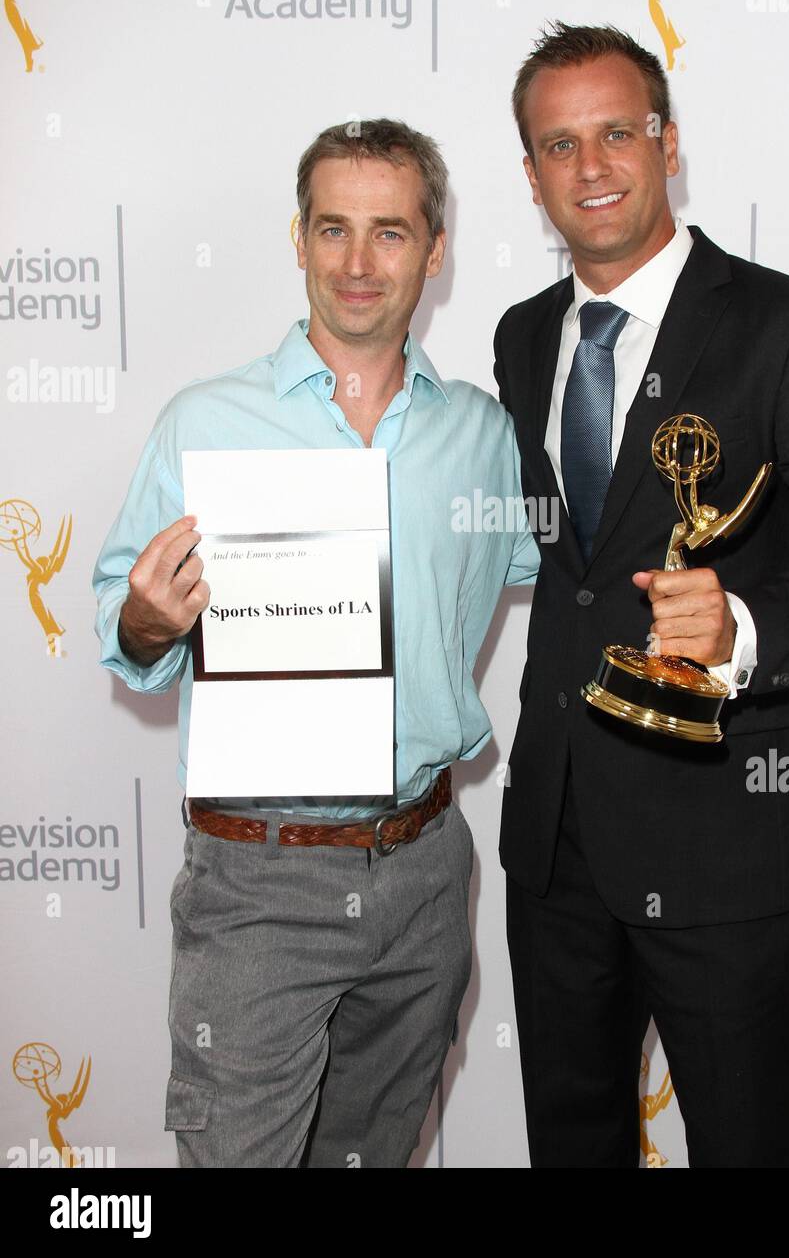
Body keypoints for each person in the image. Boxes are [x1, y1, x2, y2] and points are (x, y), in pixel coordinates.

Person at [493, 22, 789, 1168]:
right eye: (558, 144)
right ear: (529, 174)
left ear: (666, 141)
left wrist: (742, 625)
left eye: (617, 132)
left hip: (722, 836)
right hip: (554, 846)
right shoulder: (521, 338)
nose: (590, 167)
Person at [93, 119, 539, 1168]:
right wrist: (147, 619)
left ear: (435, 251)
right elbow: (126, 620)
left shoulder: (482, 433)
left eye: (388, 233)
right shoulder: (202, 423)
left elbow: (556, 580)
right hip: (259, 877)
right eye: (332, 228)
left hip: (426, 868)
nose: (355, 262)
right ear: (296, 239)